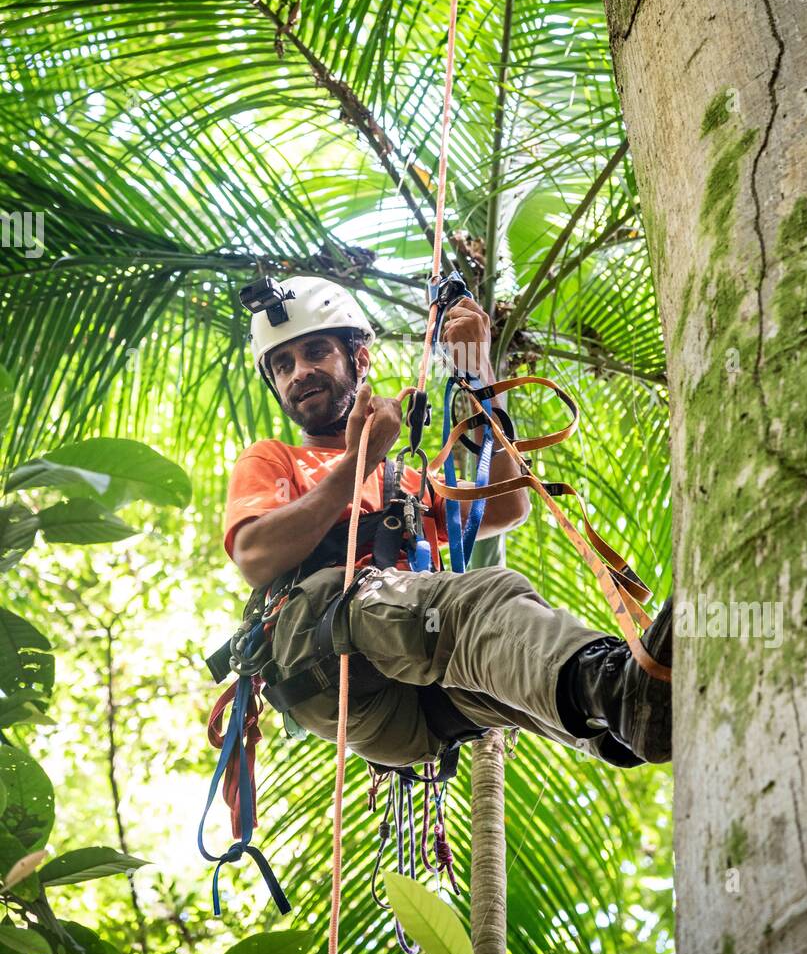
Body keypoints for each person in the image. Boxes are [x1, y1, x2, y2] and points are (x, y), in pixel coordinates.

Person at [223, 276, 672, 774]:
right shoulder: (272, 458)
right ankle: (620, 685)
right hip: (325, 659)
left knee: (504, 677)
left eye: (315, 352)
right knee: (479, 599)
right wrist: (361, 460)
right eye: (282, 365)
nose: (299, 372)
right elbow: (256, 556)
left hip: (416, 711)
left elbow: (506, 507)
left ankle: (630, 726)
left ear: (360, 360)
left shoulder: (402, 481)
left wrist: (478, 374)